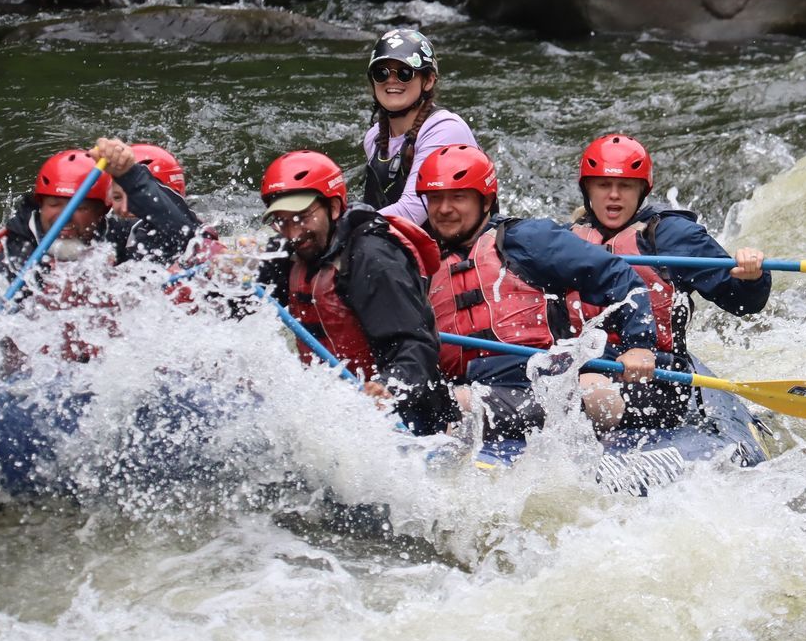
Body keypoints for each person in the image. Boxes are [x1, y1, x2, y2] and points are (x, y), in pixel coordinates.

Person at [415, 142, 658, 437]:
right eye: (435, 199)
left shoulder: (527, 240)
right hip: (464, 389)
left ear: (486, 201)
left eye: (458, 198)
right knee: (443, 405)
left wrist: (640, 345)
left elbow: (616, 276)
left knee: (599, 397)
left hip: (540, 383)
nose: (444, 209)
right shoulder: (418, 262)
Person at [569, 133, 770, 427]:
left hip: (657, 380)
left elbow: (742, 302)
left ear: (641, 191)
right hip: (584, 365)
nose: (613, 194)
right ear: (587, 189)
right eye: (603, 185)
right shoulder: (568, 239)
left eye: (625, 186)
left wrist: (752, 277)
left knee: (582, 394)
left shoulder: (673, 236)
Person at [254, 149, 453, 434]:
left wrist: (389, 386)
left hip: (406, 418)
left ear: (333, 208)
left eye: (301, 217)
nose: (293, 232)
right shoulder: (289, 251)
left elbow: (416, 345)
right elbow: (242, 313)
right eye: (282, 221)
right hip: (333, 410)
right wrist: (228, 274)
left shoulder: (373, 259)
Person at [0, 138, 201, 276]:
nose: (64, 217)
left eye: (80, 207)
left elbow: (184, 236)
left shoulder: (123, 242)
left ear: (101, 212)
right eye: (54, 204)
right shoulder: (20, 245)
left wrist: (130, 177)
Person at [358, 29, 477, 225]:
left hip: (454, 248)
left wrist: (347, 227)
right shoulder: (374, 138)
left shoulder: (444, 130)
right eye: (381, 73)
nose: (391, 80)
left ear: (428, 80)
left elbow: (413, 210)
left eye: (405, 73)